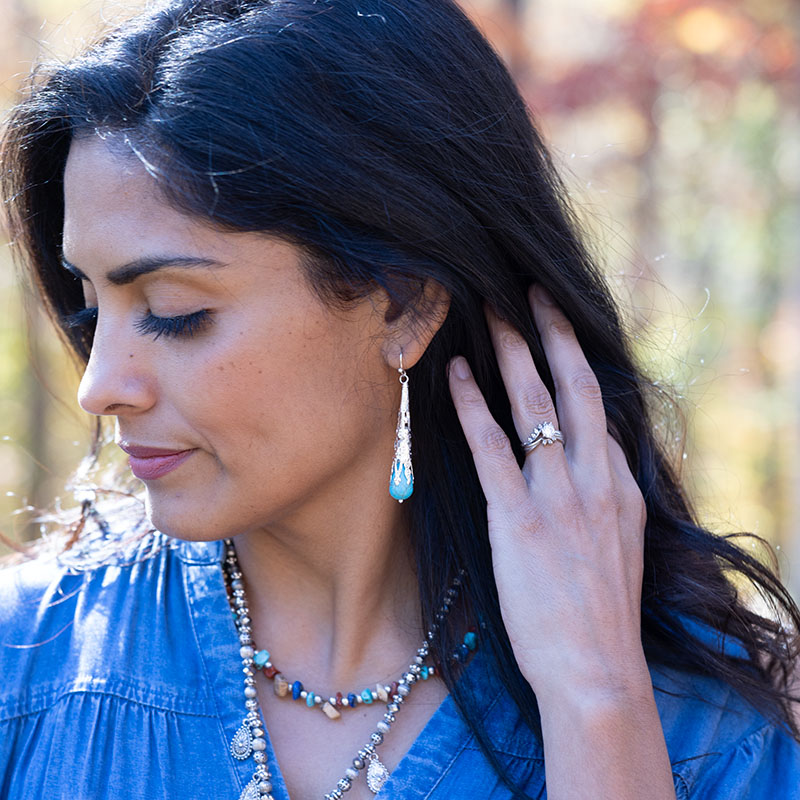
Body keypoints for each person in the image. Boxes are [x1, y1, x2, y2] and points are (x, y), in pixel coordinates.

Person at [1, 1, 798, 798]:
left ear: (405, 303)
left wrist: (596, 706)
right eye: (88, 303)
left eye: (177, 312)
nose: (97, 385)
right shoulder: (24, 672)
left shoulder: (707, 737)